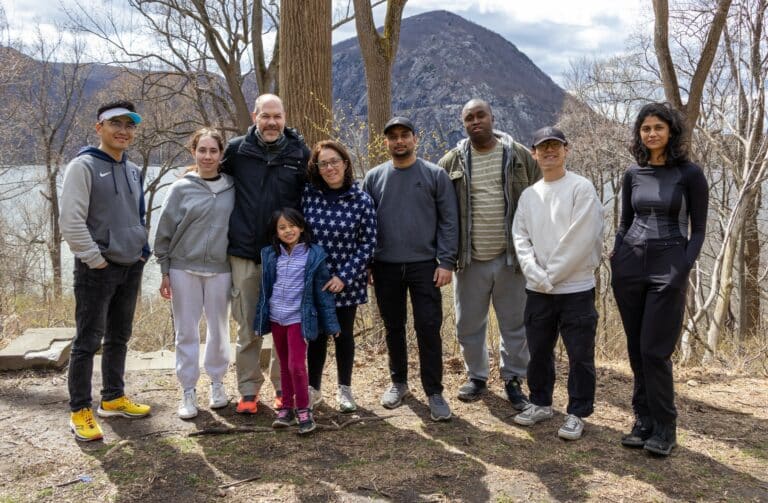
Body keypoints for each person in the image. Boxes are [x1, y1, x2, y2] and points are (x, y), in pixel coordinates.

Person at [611, 102, 708, 456]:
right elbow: (624, 222)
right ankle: (643, 421)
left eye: (658, 128)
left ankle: (666, 427)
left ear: (671, 132)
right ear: (639, 133)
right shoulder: (632, 174)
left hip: (669, 264)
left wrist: (683, 266)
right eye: (646, 128)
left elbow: (698, 230)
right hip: (629, 265)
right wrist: (617, 254)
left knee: (655, 351)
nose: (652, 133)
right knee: (637, 350)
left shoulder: (689, 174)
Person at [438, 98, 541, 409]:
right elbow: (440, 209)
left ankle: (513, 378)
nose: (475, 121)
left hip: (511, 259)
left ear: (492, 117)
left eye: (480, 115)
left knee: (514, 324)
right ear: (464, 123)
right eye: (469, 117)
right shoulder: (452, 162)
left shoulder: (520, 156)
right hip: (469, 260)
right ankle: (477, 376)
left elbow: (540, 197)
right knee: (468, 324)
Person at [60, 101, 151, 441]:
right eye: (116, 124)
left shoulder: (132, 170)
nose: (123, 130)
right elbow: (70, 220)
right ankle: (80, 409)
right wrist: (94, 258)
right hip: (96, 269)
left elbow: (137, 215)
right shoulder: (82, 166)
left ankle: (112, 398)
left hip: (130, 265)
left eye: (130, 125)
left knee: (119, 337)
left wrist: (142, 250)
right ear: (99, 128)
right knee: (87, 341)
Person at [363, 116, 459, 422]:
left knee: (428, 328)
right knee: (393, 327)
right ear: (386, 142)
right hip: (385, 266)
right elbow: (365, 227)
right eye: (393, 137)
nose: (399, 141)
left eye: (405, 135)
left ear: (415, 139)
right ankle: (399, 383)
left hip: (425, 266)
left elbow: (449, 221)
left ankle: (434, 392)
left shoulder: (435, 175)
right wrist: (367, 264)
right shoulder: (374, 177)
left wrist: (446, 261)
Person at [511, 127, 604, 440]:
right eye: (543, 147)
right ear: (534, 153)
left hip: (576, 289)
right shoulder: (529, 195)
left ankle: (577, 412)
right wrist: (536, 275)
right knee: (538, 351)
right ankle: (540, 402)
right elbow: (520, 238)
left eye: (555, 146)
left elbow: (581, 238)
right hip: (538, 290)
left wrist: (550, 276)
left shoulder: (581, 188)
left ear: (566, 150)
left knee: (580, 354)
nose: (549, 152)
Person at [221, 94, 310, 414]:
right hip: (245, 253)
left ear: (285, 118)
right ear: (255, 117)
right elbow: (213, 180)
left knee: (285, 325)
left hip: (284, 256)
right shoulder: (236, 150)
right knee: (248, 325)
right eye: (265, 116)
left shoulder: (299, 152)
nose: (272, 122)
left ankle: (283, 388)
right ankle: (247, 390)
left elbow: (310, 199)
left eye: (277, 116)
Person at [154, 128, 235, 419]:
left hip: (220, 269)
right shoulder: (180, 188)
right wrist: (164, 270)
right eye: (202, 150)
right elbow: (163, 233)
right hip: (182, 268)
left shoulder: (231, 187)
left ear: (221, 154)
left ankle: (216, 382)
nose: (208, 156)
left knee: (219, 330)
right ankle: (188, 389)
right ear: (193, 152)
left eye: (214, 151)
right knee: (186, 331)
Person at [301, 140, 377, 412]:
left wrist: (344, 276)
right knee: (316, 336)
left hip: (347, 281)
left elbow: (367, 244)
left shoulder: (361, 200)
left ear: (345, 163)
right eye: (323, 163)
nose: (330, 167)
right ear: (317, 168)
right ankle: (313, 390)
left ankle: (344, 390)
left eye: (335, 161)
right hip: (314, 280)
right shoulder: (308, 196)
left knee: (343, 335)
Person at [254, 208, 340, 434]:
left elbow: (323, 293)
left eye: (292, 226)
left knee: (296, 366)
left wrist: (331, 324)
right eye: (282, 227)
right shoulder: (271, 254)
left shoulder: (314, 255)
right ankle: (287, 408)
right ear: (276, 232)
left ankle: (304, 409)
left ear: (301, 227)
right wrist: (260, 320)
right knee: (283, 365)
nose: (288, 231)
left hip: (298, 319)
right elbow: (265, 291)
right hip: (276, 317)